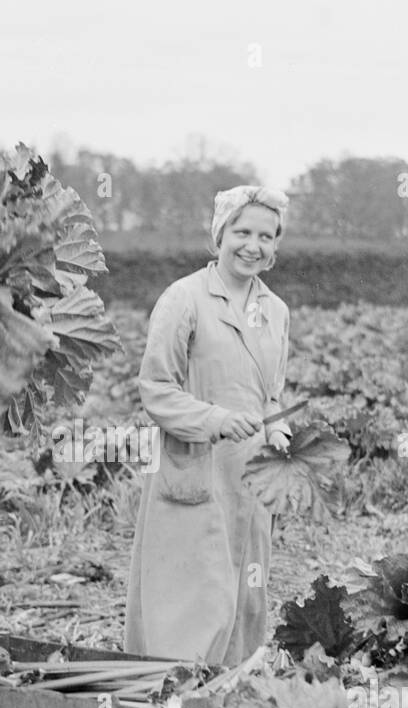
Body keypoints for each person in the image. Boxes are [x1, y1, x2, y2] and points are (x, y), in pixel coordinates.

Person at [124, 186, 292, 667]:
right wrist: (215, 419)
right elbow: (156, 388)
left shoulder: (276, 312)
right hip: (194, 466)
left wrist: (277, 431)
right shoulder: (184, 299)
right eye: (242, 232)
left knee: (245, 590)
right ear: (220, 233)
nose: (252, 245)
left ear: (275, 245)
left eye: (266, 235)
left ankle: (228, 699)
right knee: (190, 592)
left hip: (252, 476)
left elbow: (272, 395)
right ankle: (170, 700)